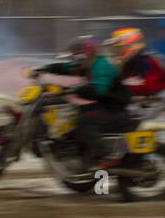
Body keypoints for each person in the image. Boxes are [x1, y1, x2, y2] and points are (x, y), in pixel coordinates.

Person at [36, 35, 132, 172]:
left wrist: (69, 90)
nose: (75, 59)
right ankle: (81, 155)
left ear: (88, 53)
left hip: (115, 108)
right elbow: (67, 67)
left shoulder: (101, 65)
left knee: (85, 121)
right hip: (105, 105)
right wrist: (44, 69)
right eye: (75, 56)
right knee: (73, 114)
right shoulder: (88, 63)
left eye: (78, 56)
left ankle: (105, 157)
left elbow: (98, 90)